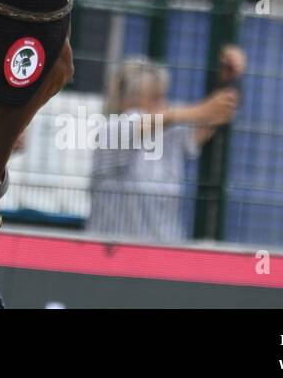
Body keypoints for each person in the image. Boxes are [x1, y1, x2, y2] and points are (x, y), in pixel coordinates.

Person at [86, 57, 239, 242]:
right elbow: (141, 123)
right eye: (156, 97)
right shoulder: (109, 130)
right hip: (110, 253)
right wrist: (194, 112)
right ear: (129, 102)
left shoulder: (168, 132)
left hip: (163, 254)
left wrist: (229, 83)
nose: (164, 103)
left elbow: (212, 119)